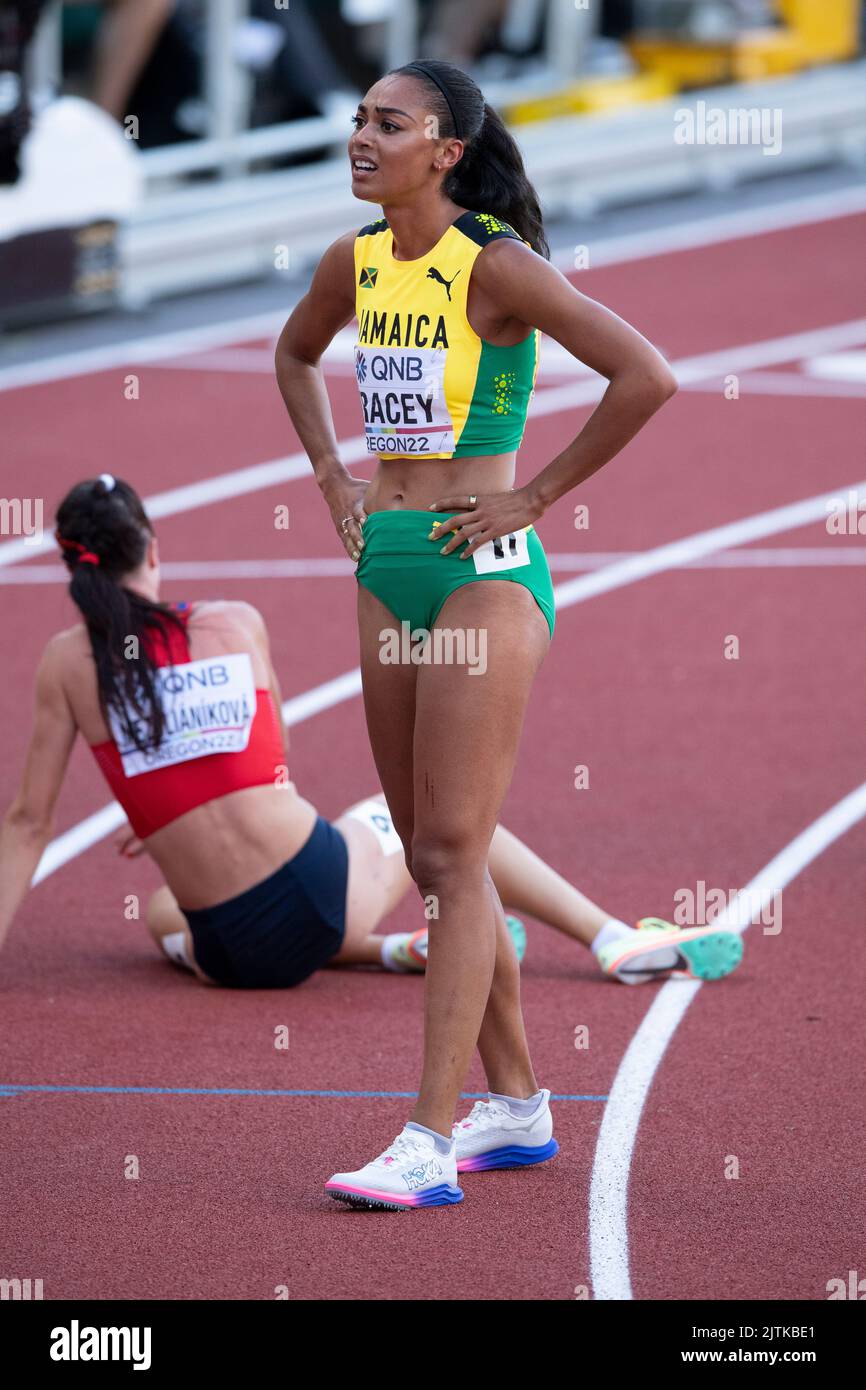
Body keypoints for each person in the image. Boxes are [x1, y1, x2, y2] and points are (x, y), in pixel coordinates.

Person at [274, 58, 686, 1210]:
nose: (360, 135)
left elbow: (644, 375)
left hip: (481, 576)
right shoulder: (351, 263)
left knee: (452, 853)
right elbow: (293, 354)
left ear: (445, 150)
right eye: (356, 117)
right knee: (432, 857)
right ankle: (516, 1100)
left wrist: (534, 494)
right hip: (387, 569)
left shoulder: (494, 263)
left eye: (387, 122)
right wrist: (328, 474)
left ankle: (426, 1133)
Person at [0, 475, 740, 996]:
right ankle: (612, 938)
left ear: (73, 569)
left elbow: (30, 823)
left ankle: (393, 952)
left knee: (164, 909)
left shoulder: (63, 663)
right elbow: (267, 766)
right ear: (152, 551)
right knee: (442, 826)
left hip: (228, 954)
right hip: (316, 895)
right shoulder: (231, 622)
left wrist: (165, 811)